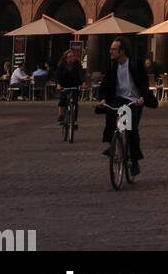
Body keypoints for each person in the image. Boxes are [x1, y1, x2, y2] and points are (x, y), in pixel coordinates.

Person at [96, 38, 149, 176]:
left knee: (131, 130)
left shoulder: (135, 64)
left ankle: (134, 160)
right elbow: (105, 84)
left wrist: (142, 97)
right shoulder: (113, 66)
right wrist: (102, 99)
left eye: (114, 49)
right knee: (111, 120)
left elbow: (144, 82)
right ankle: (114, 145)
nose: (110, 51)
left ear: (122, 51)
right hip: (118, 99)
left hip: (134, 101)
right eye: (111, 49)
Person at [56, 50, 87, 128]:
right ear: (66, 58)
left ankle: (75, 121)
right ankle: (61, 115)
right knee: (62, 98)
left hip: (74, 85)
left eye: (73, 56)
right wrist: (58, 84)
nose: (72, 58)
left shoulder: (77, 64)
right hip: (64, 85)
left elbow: (81, 74)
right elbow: (58, 76)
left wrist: (83, 82)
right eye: (70, 56)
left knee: (75, 103)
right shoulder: (61, 65)